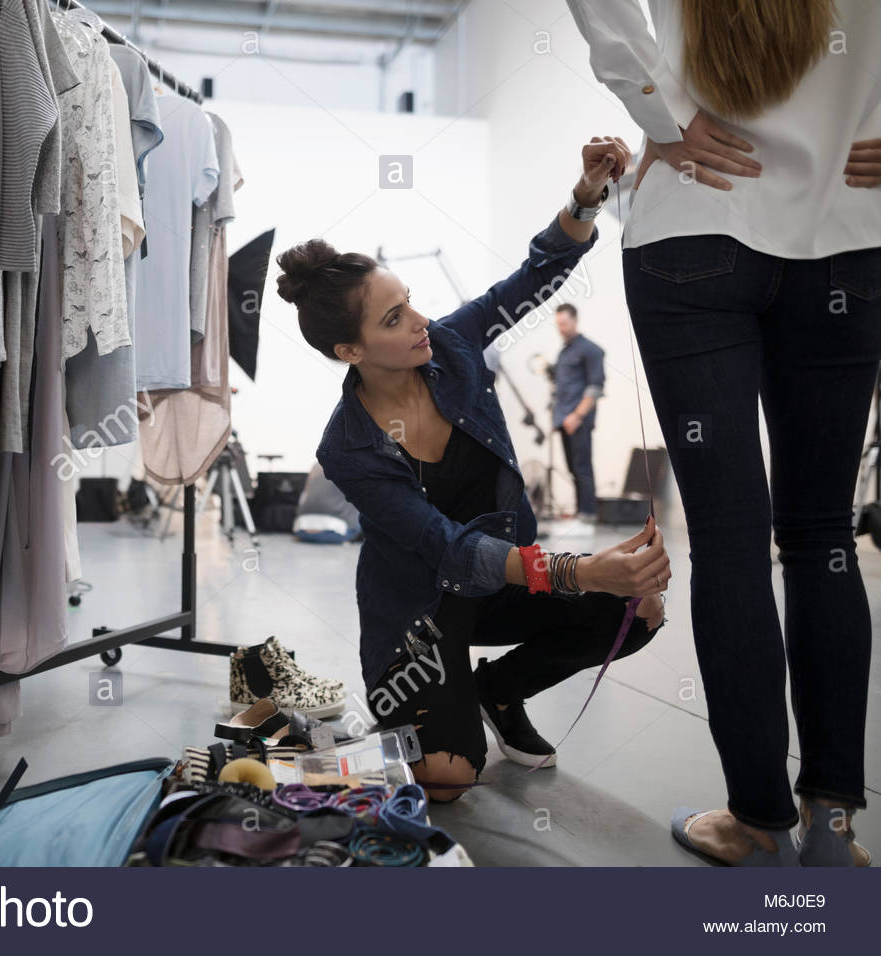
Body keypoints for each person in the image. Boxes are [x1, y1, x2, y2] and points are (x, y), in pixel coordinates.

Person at [569, 0, 881, 866]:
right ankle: (835, 829)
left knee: (733, 541)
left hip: (695, 226)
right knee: (823, 538)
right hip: (850, 231)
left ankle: (758, 824)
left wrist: (660, 111)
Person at [282, 136, 669, 801]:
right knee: (446, 779)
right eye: (395, 318)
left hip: (499, 587)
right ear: (349, 349)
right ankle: (440, 698)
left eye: (411, 301)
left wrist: (586, 196)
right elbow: (445, 546)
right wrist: (578, 569)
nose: (422, 323)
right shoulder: (347, 447)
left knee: (640, 609)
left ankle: (497, 691)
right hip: (420, 613)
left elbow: (535, 277)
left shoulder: (452, 348)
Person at [552, 303, 605, 523]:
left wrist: (578, 416)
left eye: (564, 323)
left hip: (578, 420)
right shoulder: (564, 351)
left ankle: (588, 514)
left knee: (582, 467)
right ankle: (579, 511)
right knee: (573, 468)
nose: (561, 328)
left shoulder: (590, 350)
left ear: (575, 320)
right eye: (558, 324)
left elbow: (595, 386)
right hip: (562, 418)